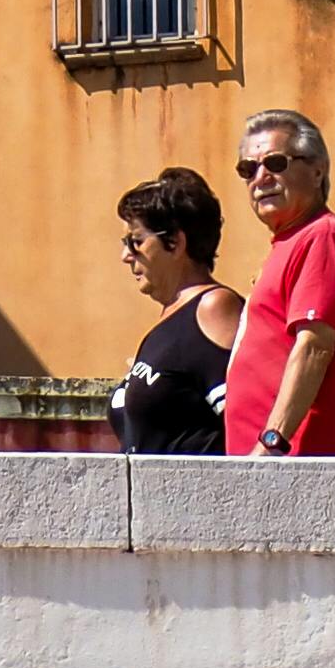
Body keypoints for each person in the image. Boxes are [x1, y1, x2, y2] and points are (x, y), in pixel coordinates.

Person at [222, 107, 335, 455]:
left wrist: (271, 443)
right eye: (248, 169)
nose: (260, 178)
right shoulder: (288, 244)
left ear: (317, 171)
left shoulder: (323, 237)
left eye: (275, 163)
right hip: (264, 468)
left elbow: (314, 347)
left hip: (292, 465)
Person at [106, 166, 242, 453]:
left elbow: (244, 421)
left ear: (176, 242)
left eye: (137, 241)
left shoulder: (213, 308)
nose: (125, 256)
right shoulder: (171, 317)